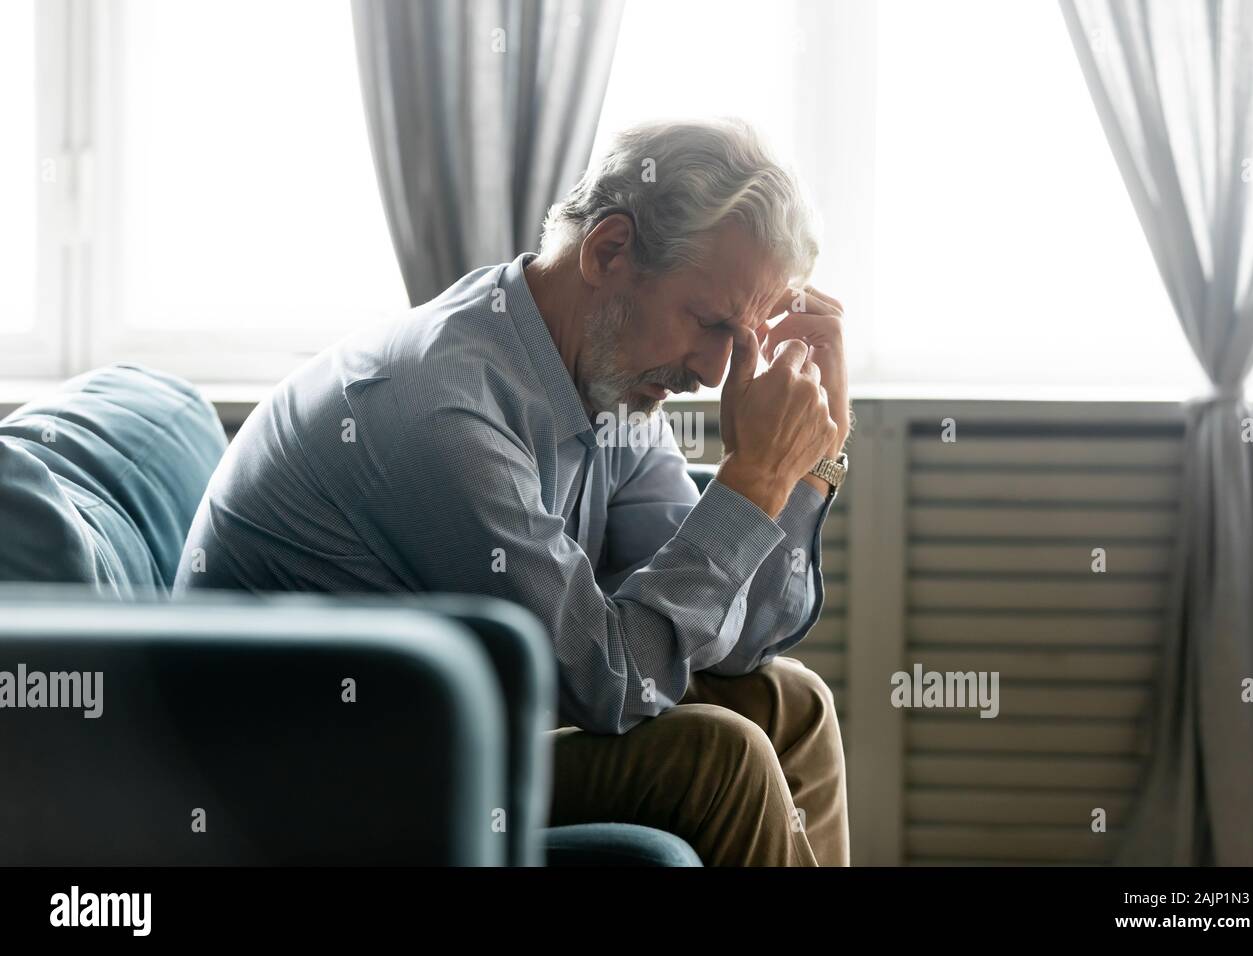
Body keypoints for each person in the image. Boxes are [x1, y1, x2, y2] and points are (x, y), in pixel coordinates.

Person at [175, 118, 852, 865]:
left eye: (745, 338)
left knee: (794, 705)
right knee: (720, 762)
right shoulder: (444, 408)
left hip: (450, 730)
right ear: (610, 249)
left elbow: (726, 644)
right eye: (710, 323)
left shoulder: (609, 385)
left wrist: (810, 466)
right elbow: (612, 680)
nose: (716, 372)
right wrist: (752, 481)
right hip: (309, 781)